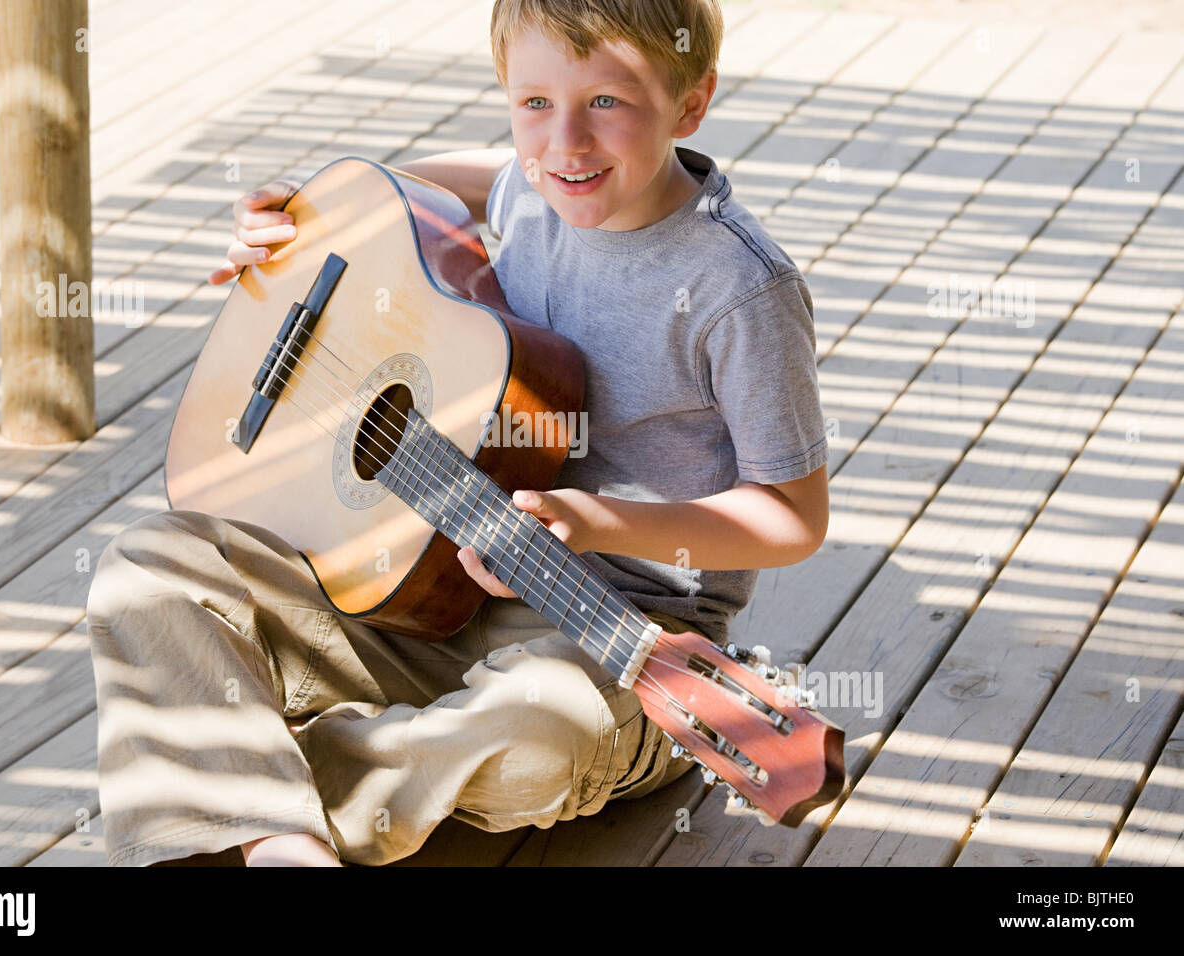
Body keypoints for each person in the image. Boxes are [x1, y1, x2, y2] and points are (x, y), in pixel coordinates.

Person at [86, 0, 829, 867]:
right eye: (534, 105)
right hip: (419, 588)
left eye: (608, 103)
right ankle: (288, 833)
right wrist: (317, 216)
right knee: (146, 567)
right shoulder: (536, 186)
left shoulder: (740, 293)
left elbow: (793, 519)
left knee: (541, 731)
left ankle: (234, 787)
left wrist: (600, 525)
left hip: (604, 645)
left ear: (689, 104)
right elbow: (465, 179)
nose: (567, 146)